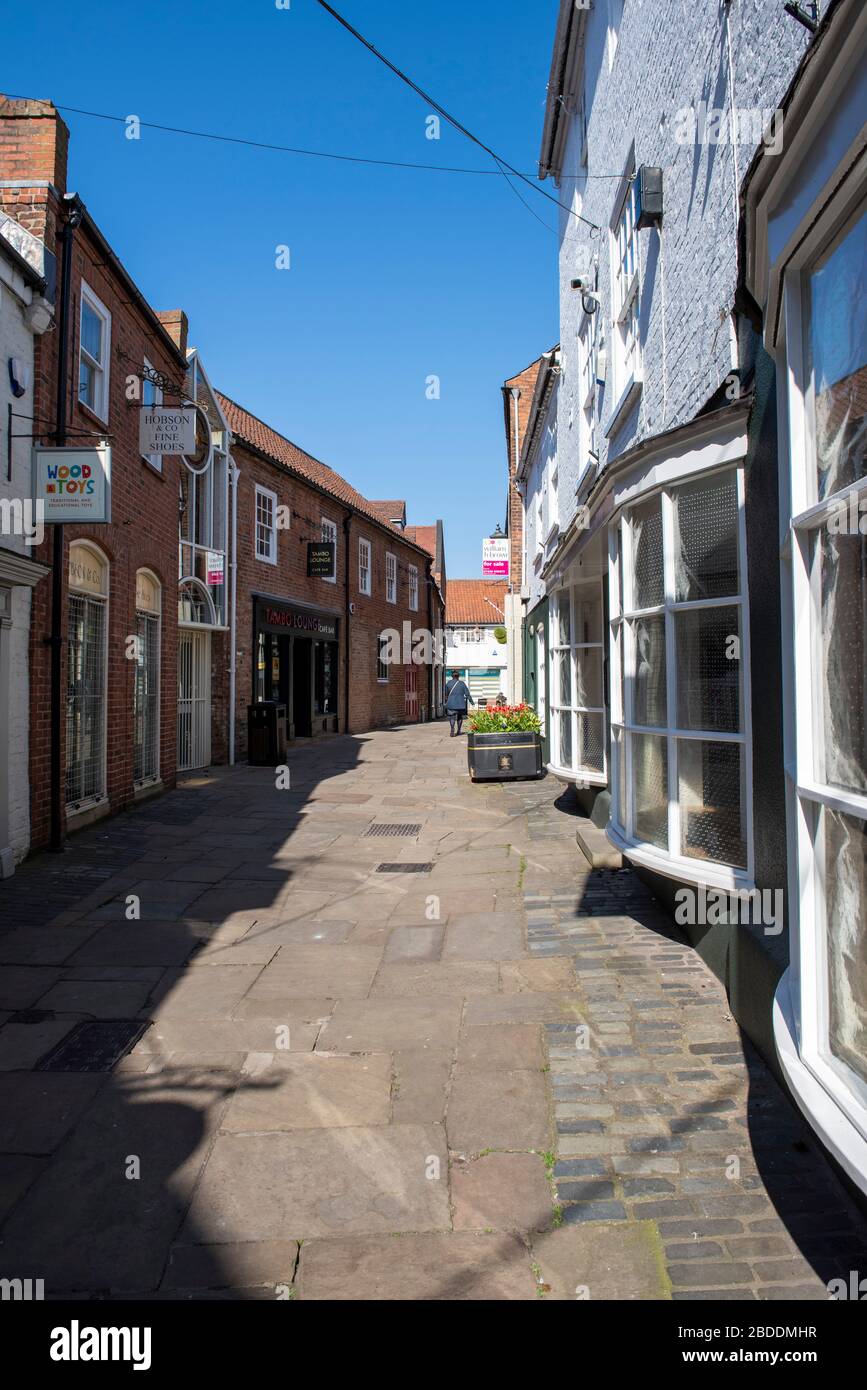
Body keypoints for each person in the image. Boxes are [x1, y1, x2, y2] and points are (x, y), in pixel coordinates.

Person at [444, 670, 474, 737]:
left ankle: (452, 730)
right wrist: (472, 702)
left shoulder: (448, 683)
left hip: (451, 704)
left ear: (452, 676)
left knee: (452, 717)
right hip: (460, 704)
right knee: (460, 717)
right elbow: (467, 694)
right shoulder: (462, 683)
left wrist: (447, 702)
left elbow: (445, 695)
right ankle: (458, 731)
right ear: (458, 676)